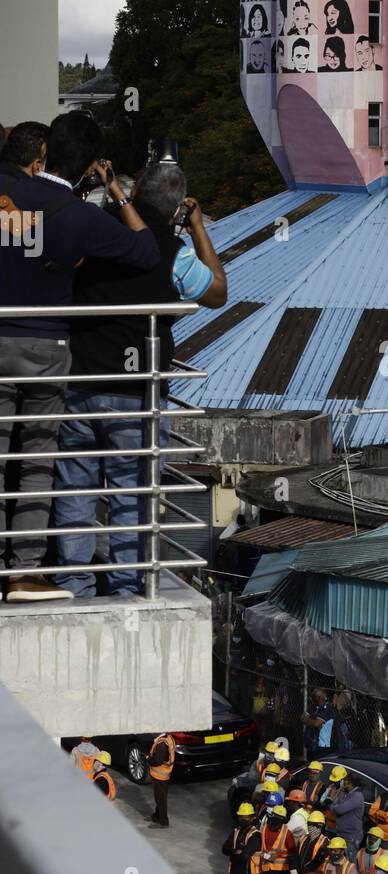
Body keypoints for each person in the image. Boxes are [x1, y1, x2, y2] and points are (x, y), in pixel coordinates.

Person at [0, 113, 160, 601]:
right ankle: (23, 569)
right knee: (36, 460)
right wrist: (120, 195)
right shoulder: (79, 215)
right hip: (46, 346)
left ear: (44, 152)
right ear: (90, 166)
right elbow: (146, 251)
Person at [53, 157, 226, 598]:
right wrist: (198, 227)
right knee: (131, 491)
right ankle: (127, 585)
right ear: (175, 209)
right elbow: (217, 293)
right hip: (137, 389)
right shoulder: (174, 250)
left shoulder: (96, 232)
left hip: (81, 378)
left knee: (75, 483)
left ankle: (73, 581)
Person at [328, 768, 365, 859]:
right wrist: (334, 806)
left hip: (351, 836)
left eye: (345, 781)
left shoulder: (357, 796)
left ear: (350, 783)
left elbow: (339, 809)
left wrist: (333, 807)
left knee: (349, 860)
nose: (343, 783)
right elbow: (334, 803)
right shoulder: (346, 793)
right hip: (342, 833)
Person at [146, 731, 175, 828]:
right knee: (159, 797)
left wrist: (148, 758)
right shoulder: (168, 738)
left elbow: (157, 761)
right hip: (164, 775)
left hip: (160, 776)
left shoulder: (162, 745)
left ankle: (163, 822)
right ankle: (156, 816)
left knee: (160, 799)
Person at [302, 688, 336, 758]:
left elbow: (317, 724)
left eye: (316, 696)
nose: (314, 698)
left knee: (319, 764)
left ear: (321, 697)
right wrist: (311, 721)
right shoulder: (313, 706)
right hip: (312, 742)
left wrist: (308, 721)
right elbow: (302, 718)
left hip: (323, 744)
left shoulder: (327, 708)